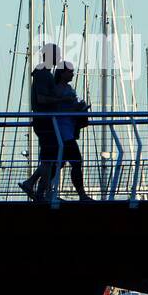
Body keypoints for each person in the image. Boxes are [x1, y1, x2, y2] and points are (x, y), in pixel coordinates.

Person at [19, 43, 61, 201]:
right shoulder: (44, 75)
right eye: (57, 55)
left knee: (49, 159)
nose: (60, 58)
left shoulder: (43, 73)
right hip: (44, 122)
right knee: (49, 159)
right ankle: (40, 190)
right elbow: (41, 99)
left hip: (44, 121)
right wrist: (60, 99)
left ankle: (38, 189)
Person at [51, 61, 94, 202]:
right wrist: (76, 108)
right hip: (63, 131)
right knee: (76, 161)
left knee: (60, 162)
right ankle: (81, 194)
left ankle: (41, 189)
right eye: (70, 71)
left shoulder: (68, 87)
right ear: (62, 73)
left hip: (69, 128)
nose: (73, 74)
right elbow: (58, 109)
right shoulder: (57, 89)